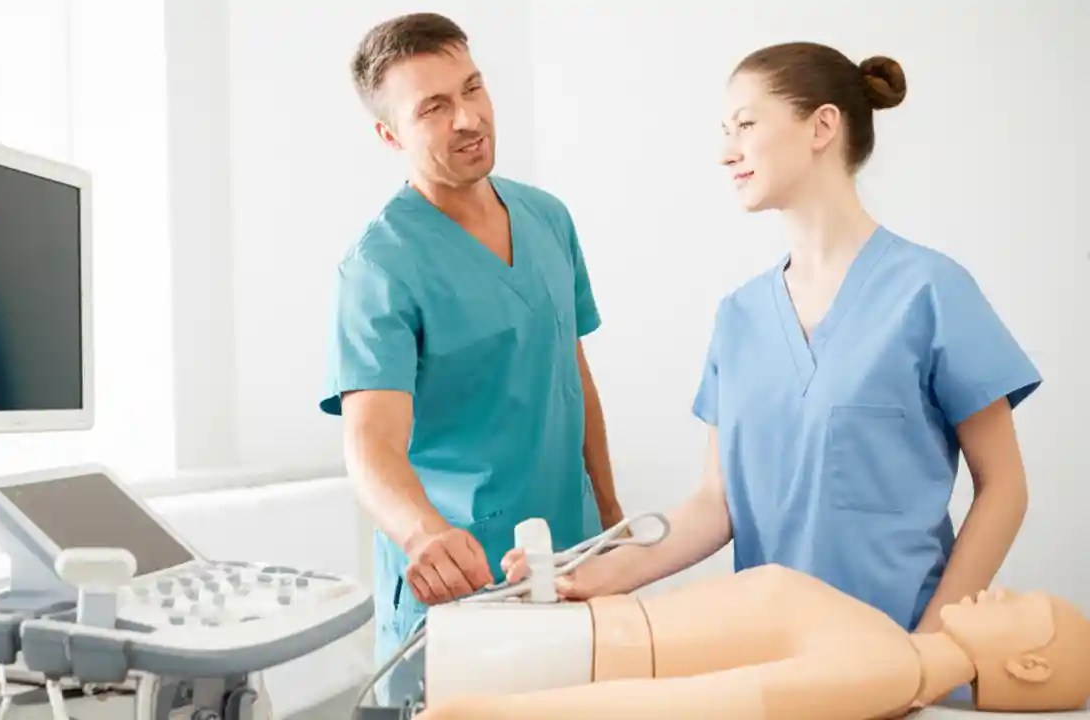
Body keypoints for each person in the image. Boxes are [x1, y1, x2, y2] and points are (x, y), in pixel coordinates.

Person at [505, 42, 1041, 637]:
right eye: (723, 130)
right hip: (772, 659)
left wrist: (931, 647)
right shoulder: (740, 316)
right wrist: (588, 573)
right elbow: (715, 505)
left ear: (822, 126)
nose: (725, 151)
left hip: (902, 651)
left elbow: (1004, 487)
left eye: (745, 125)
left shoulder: (931, 291)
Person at [320, 12, 625, 671]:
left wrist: (611, 521)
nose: (466, 118)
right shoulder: (380, 267)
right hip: (459, 582)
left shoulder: (548, 218)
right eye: (433, 106)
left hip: (569, 562)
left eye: (473, 89)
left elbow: (571, 373)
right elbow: (370, 443)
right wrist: (423, 536)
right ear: (389, 133)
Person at [414, 564, 1090, 719]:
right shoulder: (890, 649)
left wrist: (498, 714)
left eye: (1027, 607)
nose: (1004, 591)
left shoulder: (883, 667)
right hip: (570, 637)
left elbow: (694, 706)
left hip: (545, 667)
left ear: (1029, 666)